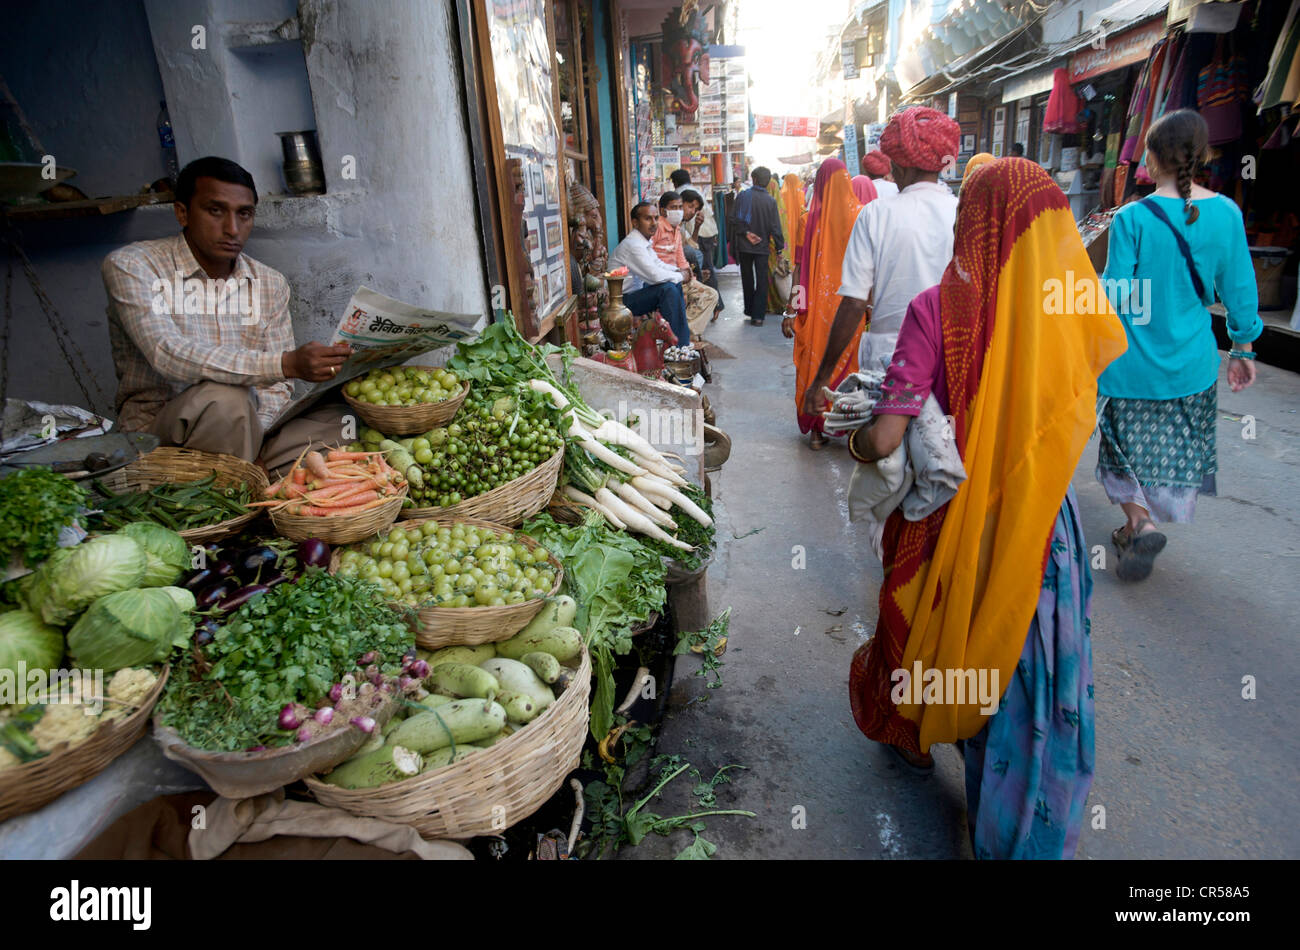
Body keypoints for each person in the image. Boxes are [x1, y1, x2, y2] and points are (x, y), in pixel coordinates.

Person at [844, 158, 1128, 858]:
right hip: (1042, 530)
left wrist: (853, 437)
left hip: (953, 522)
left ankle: (923, 739)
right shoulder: (1063, 307)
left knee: (948, 642)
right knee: (1032, 684)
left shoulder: (936, 310)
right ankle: (1019, 832)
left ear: (971, 222)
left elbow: (886, 434)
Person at [102, 156, 353, 472]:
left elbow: (276, 390)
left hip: (247, 428)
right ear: (182, 212)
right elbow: (167, 353)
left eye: (244, 214)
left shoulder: (269, 283)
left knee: (341, 420)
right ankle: (247, 483)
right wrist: (286, 364)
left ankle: (245, 471)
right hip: (159, 436)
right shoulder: (134, 265)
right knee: (224, 399)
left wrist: (254, 437)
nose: (232, 229)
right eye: (215, 211)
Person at [1095, 109, 1260, 581]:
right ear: (1203, 155)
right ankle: (1146, 521)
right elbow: (1241, 289)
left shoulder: (1131, 217)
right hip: (1191, 363)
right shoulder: (1226, 214)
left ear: (1150, 157)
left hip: (1129, 364)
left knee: (1121, 448)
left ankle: (1137, 521)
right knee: (1171, 450)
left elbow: (1116, 293)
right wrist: (1243, 349)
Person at [802, 107, 959, 420]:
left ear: (898, 164)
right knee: (943, 455)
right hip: (950, 356)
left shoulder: (875, 214)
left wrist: (821, 379)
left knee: (884, 458)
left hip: (890, 359)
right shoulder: (961, 211)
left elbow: (854, 303)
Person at [782, 159, 868, 449]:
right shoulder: (861, 215)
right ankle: (849, 426)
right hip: (850, 308)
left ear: (818, 184)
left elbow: (799, 270)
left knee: (814, 362)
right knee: (850, 365)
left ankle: (817, 431)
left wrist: (793, 309)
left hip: (817, 309)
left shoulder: (809, 220)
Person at [607, 201, 691, 345]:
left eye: (656, 218)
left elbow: (657, 264)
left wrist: (678, 271)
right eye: (648, 219)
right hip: (622, 302)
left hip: (636, 293)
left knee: (673, 285)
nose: (653, 223)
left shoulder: (642, 241)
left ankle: (680, 341)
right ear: (635, 222)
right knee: (668, 289)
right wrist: (681, 276)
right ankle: (678, 345)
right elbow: (654, 276)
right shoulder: (632, 245)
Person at [653, 190, 719, 339]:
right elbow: (649, 259)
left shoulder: (676, 229)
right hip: (663, 280)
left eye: (679, 207)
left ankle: (684, 331)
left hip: (678, 277)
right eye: (673, 207)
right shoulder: (657, 227)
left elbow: (680, 257)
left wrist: (689, 275)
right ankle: (681, 332)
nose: (678, 211)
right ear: (663, 210)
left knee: (711, 295)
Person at [729, 166, 785, 326]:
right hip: (762, 246)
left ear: (753, 179)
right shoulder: (770, 201)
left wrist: (746, 233)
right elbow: (775, 227)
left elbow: (733, 219)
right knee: (762, 279)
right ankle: (758, 316)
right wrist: (779, 248)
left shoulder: (743, 196)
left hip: (745, 246)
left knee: (747, 278)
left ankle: (749, 309)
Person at [680, 188, 724, 318]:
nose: (692, 212)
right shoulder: (672, 226)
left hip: (682, 272)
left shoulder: (682, 225)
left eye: (695, 209)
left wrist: (697, 227)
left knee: (709, 293)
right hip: (675, 274)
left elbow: (690, 246)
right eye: (690, 206)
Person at [779, 173, 806, 315]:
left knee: (796, 267)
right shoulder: (800, 194)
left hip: (786, 228)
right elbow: (803, 210)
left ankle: (793, 306)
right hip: (798, 227)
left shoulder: (781, 194)